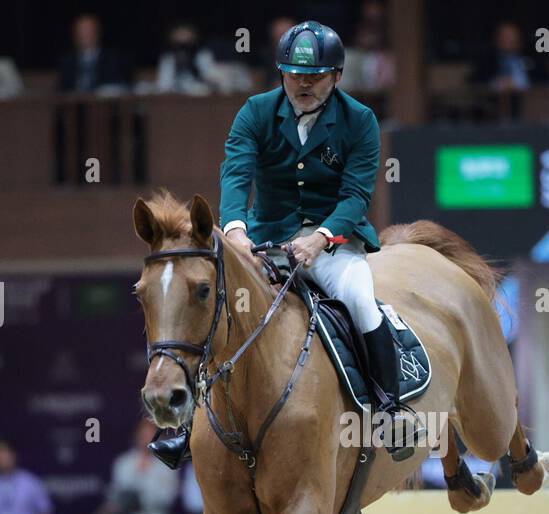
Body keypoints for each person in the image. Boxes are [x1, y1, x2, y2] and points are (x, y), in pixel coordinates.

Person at [153, 20, 422, 470]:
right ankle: (186, 427)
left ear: (336, 75)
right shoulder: (255, 113)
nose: (303, 84)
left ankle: (389, 411)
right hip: (263, 241)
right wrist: (236, 229)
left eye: (315, 76)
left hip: (333, 244)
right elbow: (236, 172)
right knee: (220, 310)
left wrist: (319, 238)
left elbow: (356, 196)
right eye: (295, 75)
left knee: (359, 299)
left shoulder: (360, 121)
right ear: (281, 73)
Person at [57, 13, 129, 92]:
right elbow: (61, 90)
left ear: (97, 32)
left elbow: (118, 86)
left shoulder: (112, 59)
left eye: (89, 30)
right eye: (81, 31)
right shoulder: (68, 61)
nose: (85, 35)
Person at [155, 21, 214, 95]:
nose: (183, 38)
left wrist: (192, 64)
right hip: (175, 97)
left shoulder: (203, 55)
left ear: (194, 37)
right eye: (180, 35)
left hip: (200, 95)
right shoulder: (168, 58)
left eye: (186, 34)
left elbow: (210, 78)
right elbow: (164, 85)